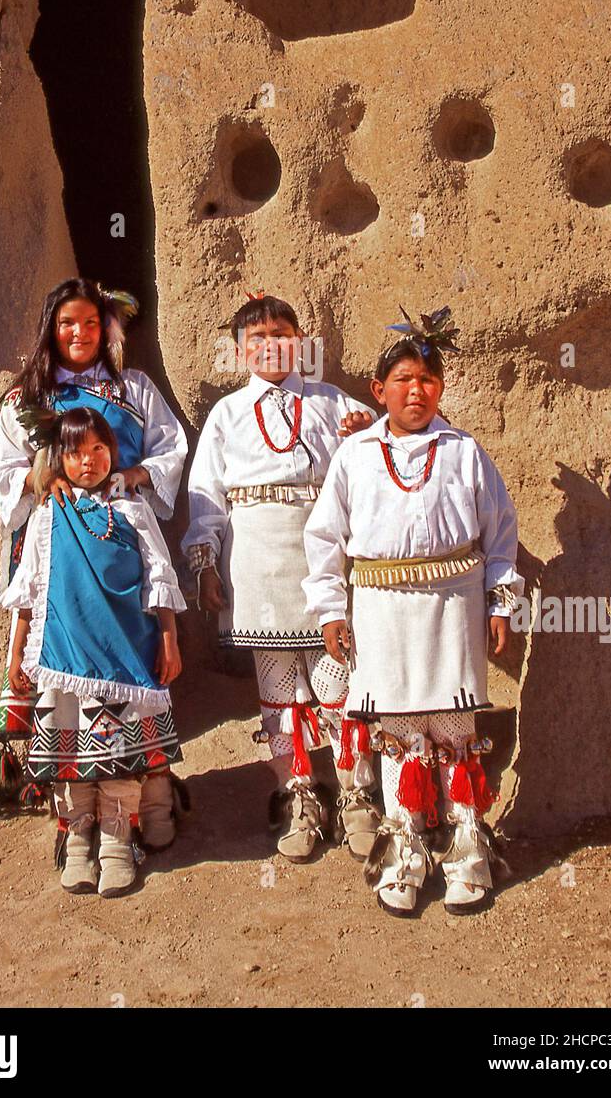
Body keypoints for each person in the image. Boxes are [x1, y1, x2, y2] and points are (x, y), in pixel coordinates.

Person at [302, 307, 523, 916]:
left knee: (455, 736)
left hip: (453, 608)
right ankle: (403, 851)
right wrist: (330, 609)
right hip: (379, 613)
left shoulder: (465, 453)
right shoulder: (353, 457)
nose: (415, 391)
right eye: (402, 380)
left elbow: (499, 534)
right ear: (379, 391)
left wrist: (500, 602)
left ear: (441, 388)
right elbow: (324, 539)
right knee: (399, 736)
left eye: (427, 380)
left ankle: (468, 849)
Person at [0, 277, 188, 849]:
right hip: (55, 559)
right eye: (68, 323)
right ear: (52, 328)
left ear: (108, 329)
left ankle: (152, 804)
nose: (80, 333)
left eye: (92, 323)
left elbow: (170, 448)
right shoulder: (28, 398)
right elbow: (0, 471)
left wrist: (132, 476)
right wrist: (39, 478)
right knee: (64, 688)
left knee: (133, 671)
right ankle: (74, 823)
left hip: (119, 555)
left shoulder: (136, 388)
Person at [181, 292, 379, 862]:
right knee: (280, 692)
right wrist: (205, 566)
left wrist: (364, 433)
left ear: (300, 341)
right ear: (240, 351)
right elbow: (207, 497)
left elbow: (369, 467)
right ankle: (296, 794)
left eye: (280, 334)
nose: (270, 346)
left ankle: (356, 793)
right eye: (257, 338)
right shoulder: (226, 415)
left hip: (318, 557)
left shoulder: (329, 401)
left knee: (337, 686)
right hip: (255, 563)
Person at [2, 406, 184, 897]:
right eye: (76, 453)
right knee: (73, 762)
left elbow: (159, 580)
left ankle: (117, 840)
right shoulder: (46, 516)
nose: (88, 461)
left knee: (120, 754)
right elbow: (28, 592)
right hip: (65, 662)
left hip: (124, 657)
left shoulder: (133, 510)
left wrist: (168, 639)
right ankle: (79, 839)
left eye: (98, 450)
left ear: (114, 453)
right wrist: (16, 656)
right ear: (59, 459)